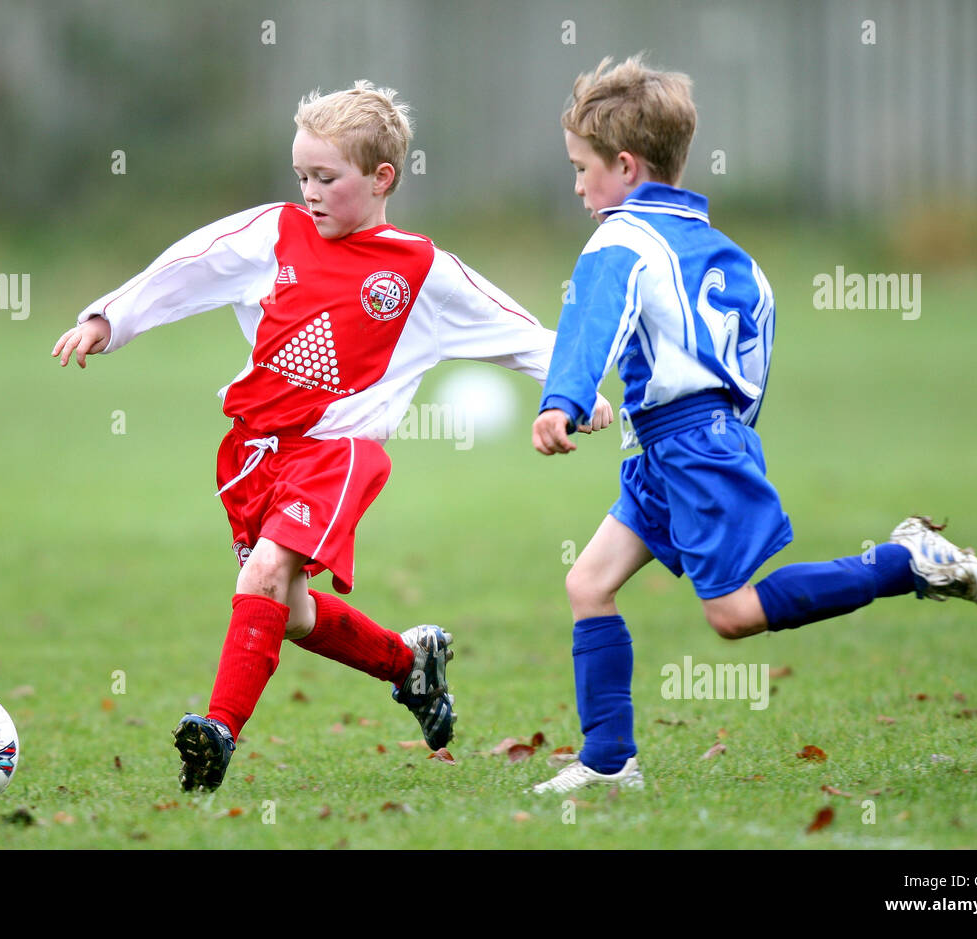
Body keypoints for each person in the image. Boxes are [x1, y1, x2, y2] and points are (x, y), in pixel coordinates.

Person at [52, 80, 611, 792]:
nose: (310, 192)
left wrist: (576, 391)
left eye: (327, 177)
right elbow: (191, 266)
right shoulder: (274, 234)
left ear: (381, 179)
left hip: (340, 453)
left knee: (260, 577)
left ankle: (218, 732)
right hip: (256, 451)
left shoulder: (418, 270)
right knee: (286, 611)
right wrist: (109, 318)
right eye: (302, 176)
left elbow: (515, 331)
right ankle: (410, 667)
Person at [529, 55, 977, 795]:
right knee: (588, 582)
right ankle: (609, 760)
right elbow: (744, 359)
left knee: (730, 615)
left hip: (687, 447)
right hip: (686, 442)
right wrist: (712, 432)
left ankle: (904, 562)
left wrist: (562, 398)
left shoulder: (618, 240)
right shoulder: (734, 257)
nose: (579, 185)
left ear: (624, 166)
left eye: (582, 167)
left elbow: (591, 322)